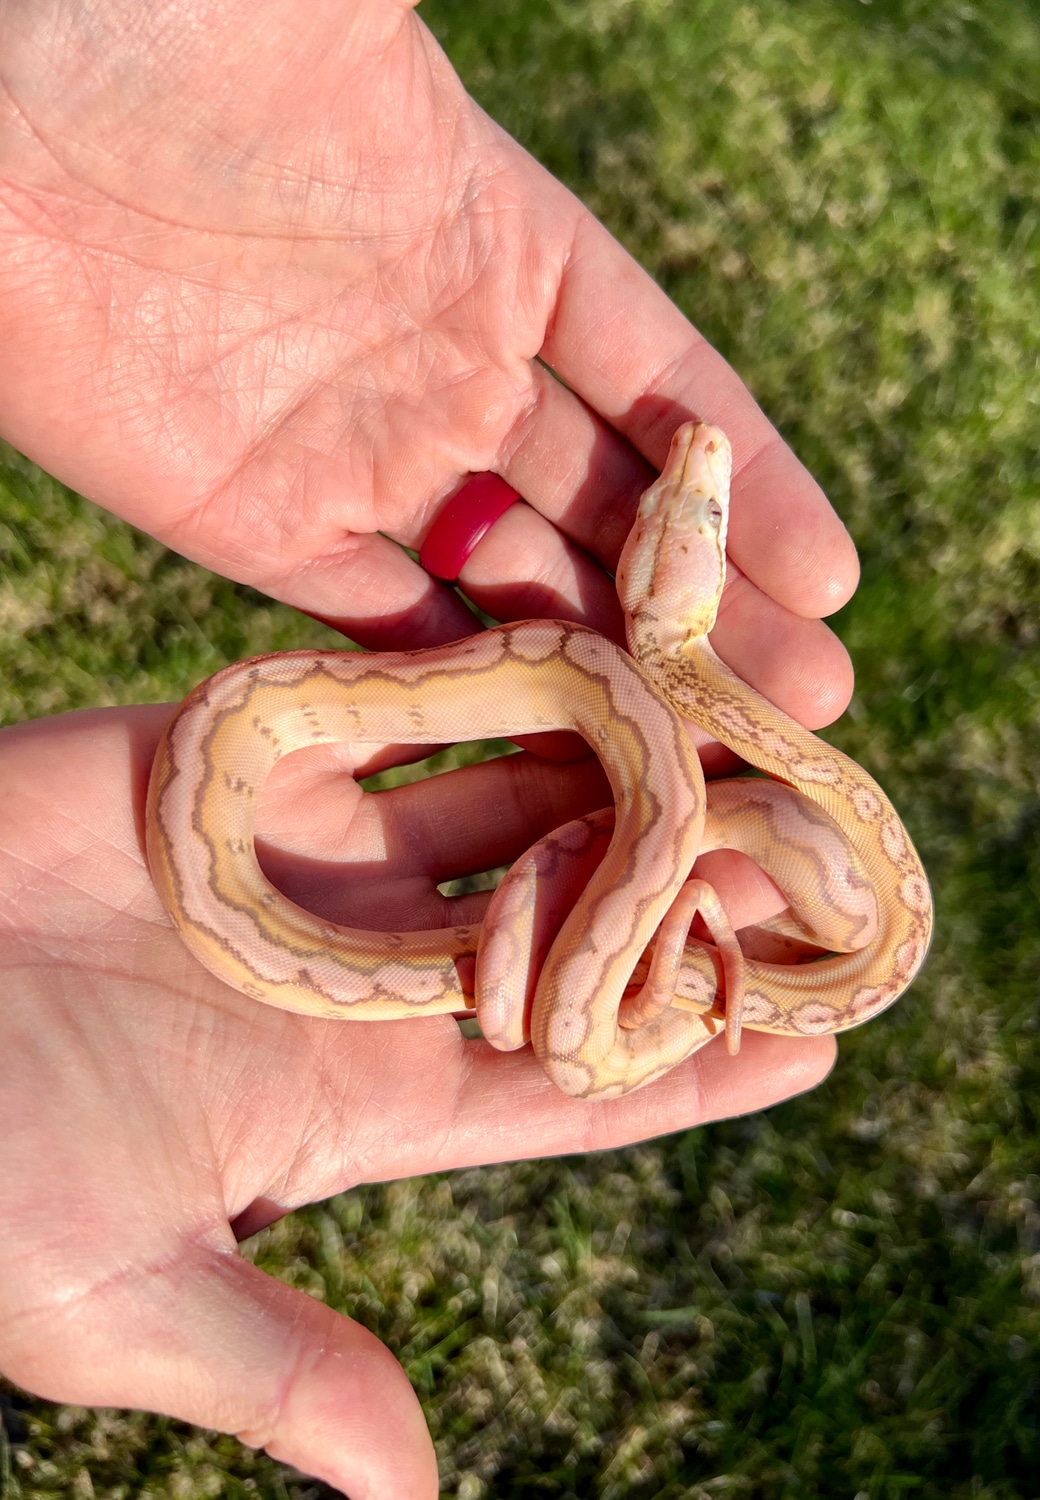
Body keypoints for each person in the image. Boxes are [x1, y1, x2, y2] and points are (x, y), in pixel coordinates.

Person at [0, 3, 859, 1495]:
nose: (694, 491)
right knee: (629, 869)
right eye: (691, 516)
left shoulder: (632, 673)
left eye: (694, 515)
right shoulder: (630, 678)